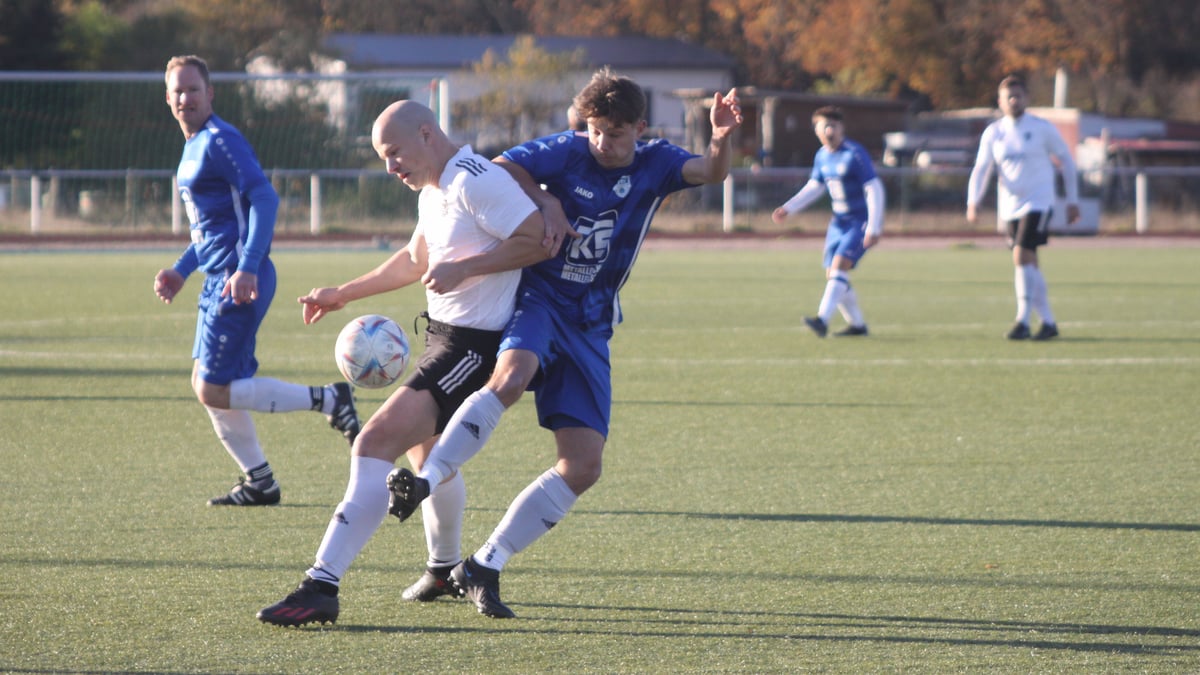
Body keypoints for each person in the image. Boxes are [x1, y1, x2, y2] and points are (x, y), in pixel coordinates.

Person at [386, 68, 743, 618]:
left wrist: (720, 139)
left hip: (592, 322)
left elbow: (712, 172)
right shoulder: (566, 149)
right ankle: (425, 481)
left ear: (640, 129)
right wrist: (547, 203)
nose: (603, 142)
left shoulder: (658, 162)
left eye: (616, 134)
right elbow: (504, 166)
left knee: (583, 466)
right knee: (511, 376)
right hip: (541, 301)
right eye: (596, 130)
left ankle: (484, 564)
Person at [256, 100, 556, 627]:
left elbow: (536, 240)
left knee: (373, 442)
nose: (391, 166)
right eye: (383, 157)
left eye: (394, 153)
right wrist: (343, 293)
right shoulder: (435, 190)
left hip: (470, 349)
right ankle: (443, 571)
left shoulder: (473, 180)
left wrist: (468, 267)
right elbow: (416, 260)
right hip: (442, 339)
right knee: (429, 457)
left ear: (425, 134)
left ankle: (320, 585)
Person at [154, 55, 361, 507]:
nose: (186, 97)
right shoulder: (192, 146)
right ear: (168, 98)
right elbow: (212, 228)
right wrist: (181, 270)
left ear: (211, 94)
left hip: (237, 277)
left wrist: (247, 266)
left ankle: (330, 400)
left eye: (194, 89)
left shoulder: (219, 140)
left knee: (213, 386)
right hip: (218, 277)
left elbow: (263, 199)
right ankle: (260, 481)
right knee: (206, 384)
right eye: (178, 91)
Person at [967, 74, 1080, 340]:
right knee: (1030, 262)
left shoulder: (1042, 128)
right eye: (1009, 97)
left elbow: (1066, 160)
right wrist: (973, 201)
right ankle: (1049, 323)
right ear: (1000, 101)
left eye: (1018, 96)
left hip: (1039, 202)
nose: (1014, 101)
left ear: (1026, 99)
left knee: (1021, 254)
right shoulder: (994, 133)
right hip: (1010, 206)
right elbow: (982, 168)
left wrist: (1073, 200)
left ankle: (1022, 321)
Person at [771, 106, 884, 338]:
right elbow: (815, 186)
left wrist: (874, 226)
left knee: (840, 265)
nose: (830, 130)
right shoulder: (822, 156)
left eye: (835, 125)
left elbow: (874, 187)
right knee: (834, 274)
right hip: (838, 223)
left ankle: (822, 319)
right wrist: (789, 208)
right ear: (816, 130)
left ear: (842, 128)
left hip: (858, 221)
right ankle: (858, 325)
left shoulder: (854, 153)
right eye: (826, 126)